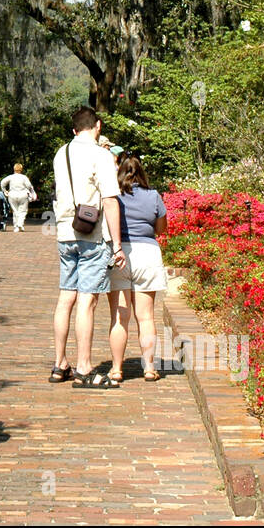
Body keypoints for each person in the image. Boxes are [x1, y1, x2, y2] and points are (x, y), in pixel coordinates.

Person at [51, 106, 126, 389]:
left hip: (64, 232)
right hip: (92, 236)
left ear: (73, 130)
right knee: (88, 300)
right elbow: (110, 200)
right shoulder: (101, 155)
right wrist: (117, 245)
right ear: (98, 126)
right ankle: (83, 368)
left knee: (65, 297)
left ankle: (60, 363)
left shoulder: (62, 153)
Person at [108, 152, 169, 382]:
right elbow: (161, 229)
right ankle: (150, 368)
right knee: (145, 317)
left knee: (119, 317)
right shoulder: (154, 196)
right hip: (147, 253)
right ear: (142, 173)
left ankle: (116, 368)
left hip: (120, 253)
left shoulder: (114, 197)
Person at [1, 163, 37, 231]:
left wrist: (4, 191)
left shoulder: (11, 177)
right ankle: (20, 224)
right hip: (23, 194)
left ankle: (16, 227)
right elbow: (29, 186)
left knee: (15, 211)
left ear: (14, 169)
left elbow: (2, 182)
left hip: (12, 195)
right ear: (21, 169)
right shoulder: (24, 177)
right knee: (23, 211)